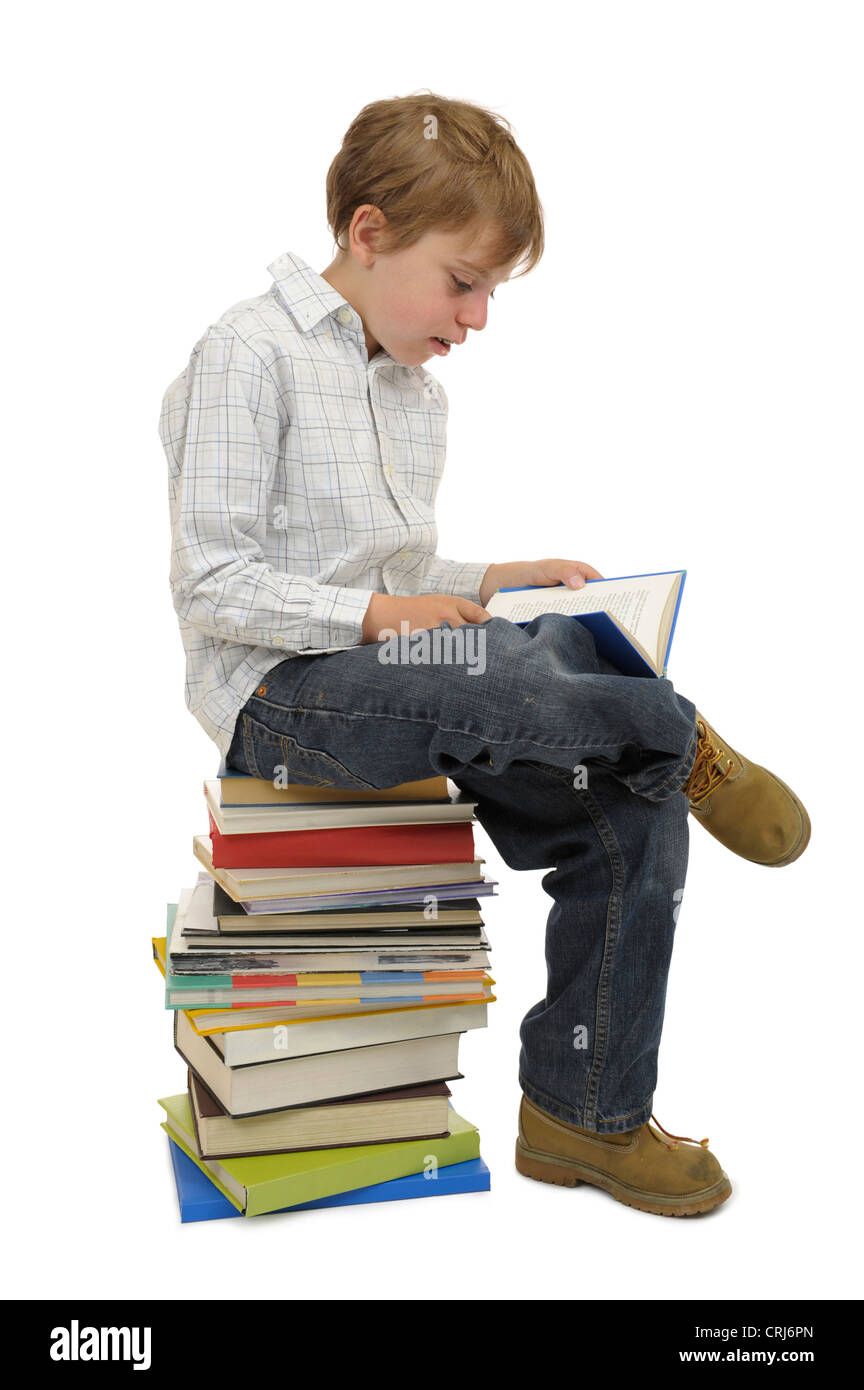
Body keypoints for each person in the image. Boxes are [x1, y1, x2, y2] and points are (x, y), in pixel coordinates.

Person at [159, 91, 810, 1218]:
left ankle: (583, 1116)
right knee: (503, 669)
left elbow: (393, 574)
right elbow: (211, 581)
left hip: (393, 686)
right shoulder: (246, 353)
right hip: (280, 702)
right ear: (368, 236)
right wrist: (380, 619)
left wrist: (488, 578)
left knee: (625, 787)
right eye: (464, 281)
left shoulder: (416, 393)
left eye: (491, 291)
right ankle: (682, 726)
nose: (479, 316)